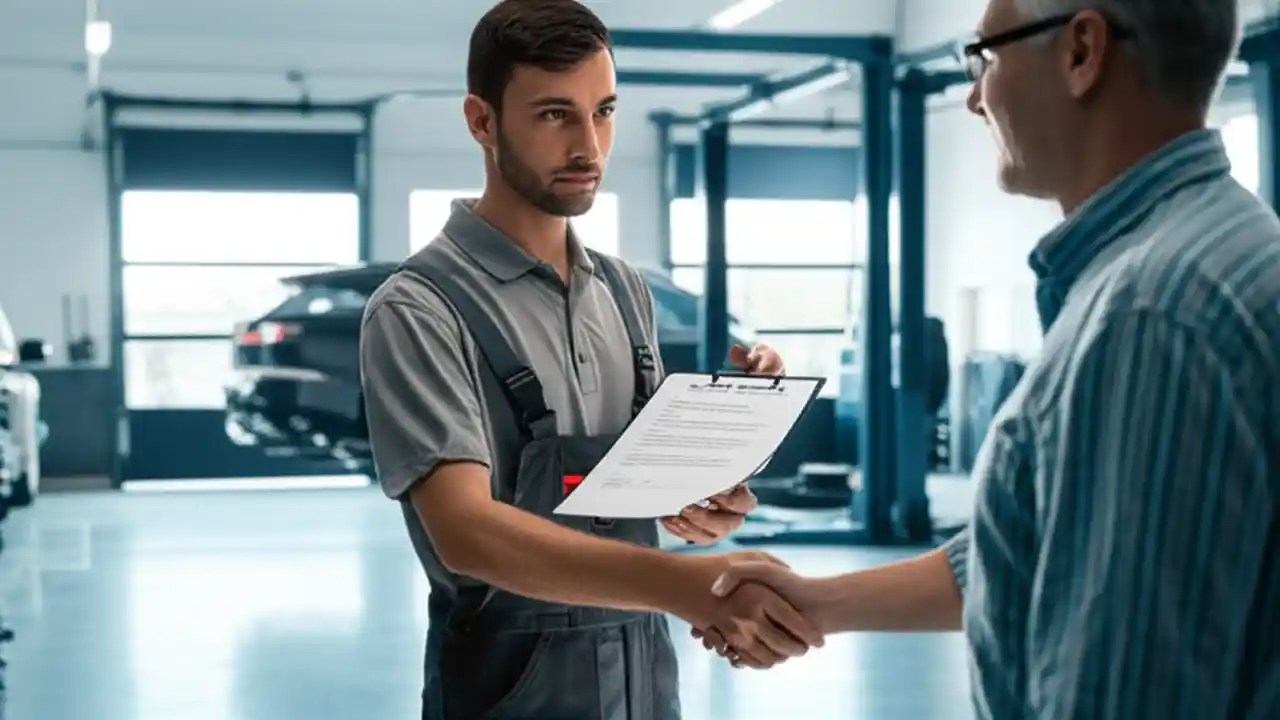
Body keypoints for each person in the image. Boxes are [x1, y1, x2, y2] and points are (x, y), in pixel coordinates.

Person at [702, 0, 1280, 718]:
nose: (975, 97)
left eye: (988, 57)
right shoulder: (1222, 247)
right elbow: (1046, 539)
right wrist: (820, 602)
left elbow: (1119, 695)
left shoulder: (1148, 316)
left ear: (1082, 52)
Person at [358, 2, 821, 718]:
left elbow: (629, 494)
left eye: (603, 111)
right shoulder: (418, 308)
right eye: (554, 115)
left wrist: (707, 485)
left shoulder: (623, 290)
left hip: (644, 676)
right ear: (481, 121)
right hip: (509, 691)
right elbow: (466, 533)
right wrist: (687, 587)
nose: (589, 146)